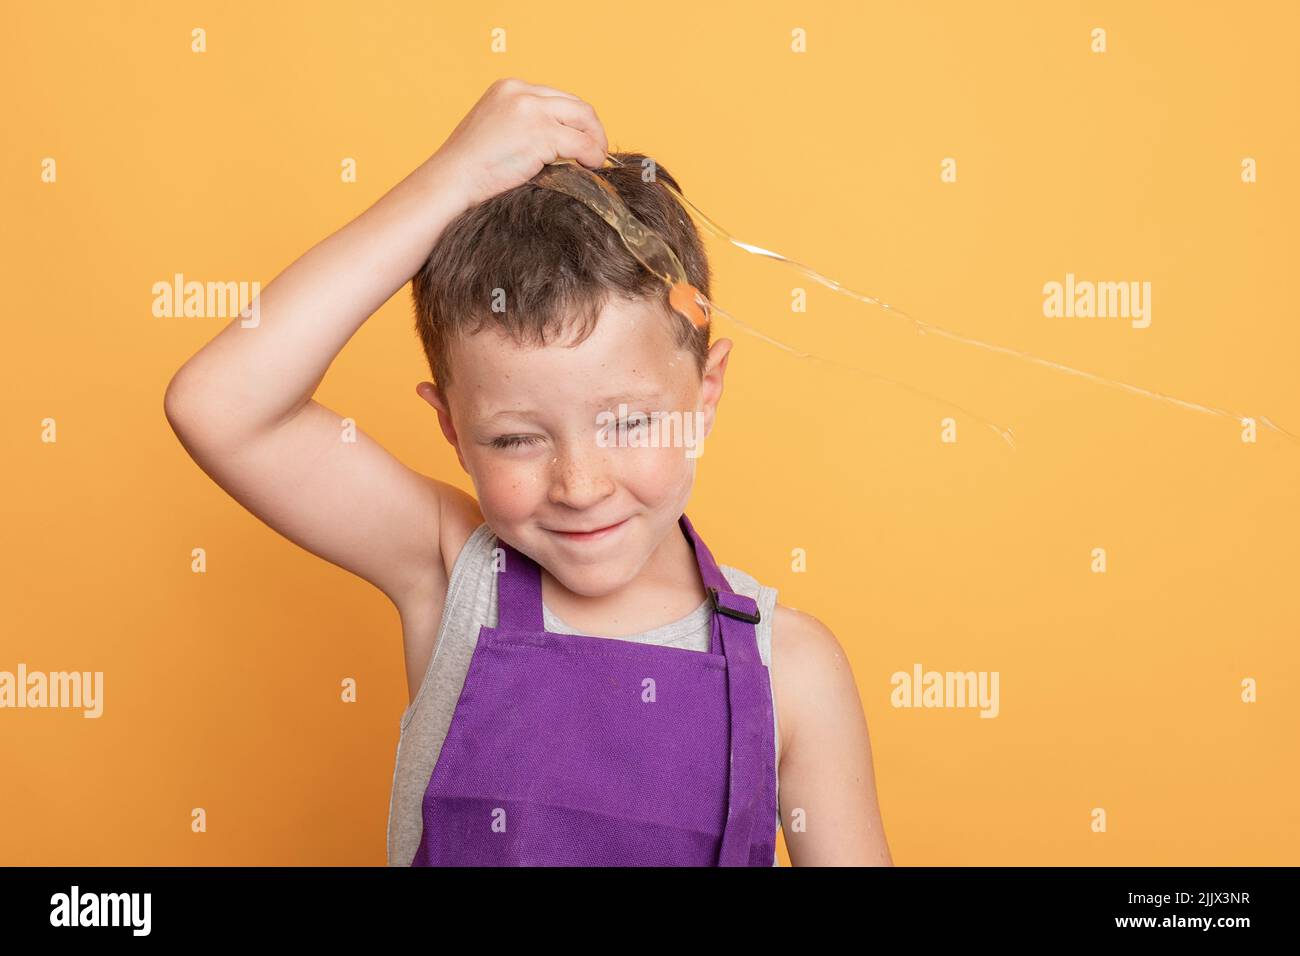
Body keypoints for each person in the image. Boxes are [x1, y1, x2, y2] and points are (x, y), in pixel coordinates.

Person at [164, 77, 892, 867]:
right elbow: (221, 407)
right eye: (516, 440)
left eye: (629, 422)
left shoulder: (793, 669)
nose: (579, 484)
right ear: (450, 426)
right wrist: (452, 178)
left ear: (706, 394)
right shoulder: (447, 574)